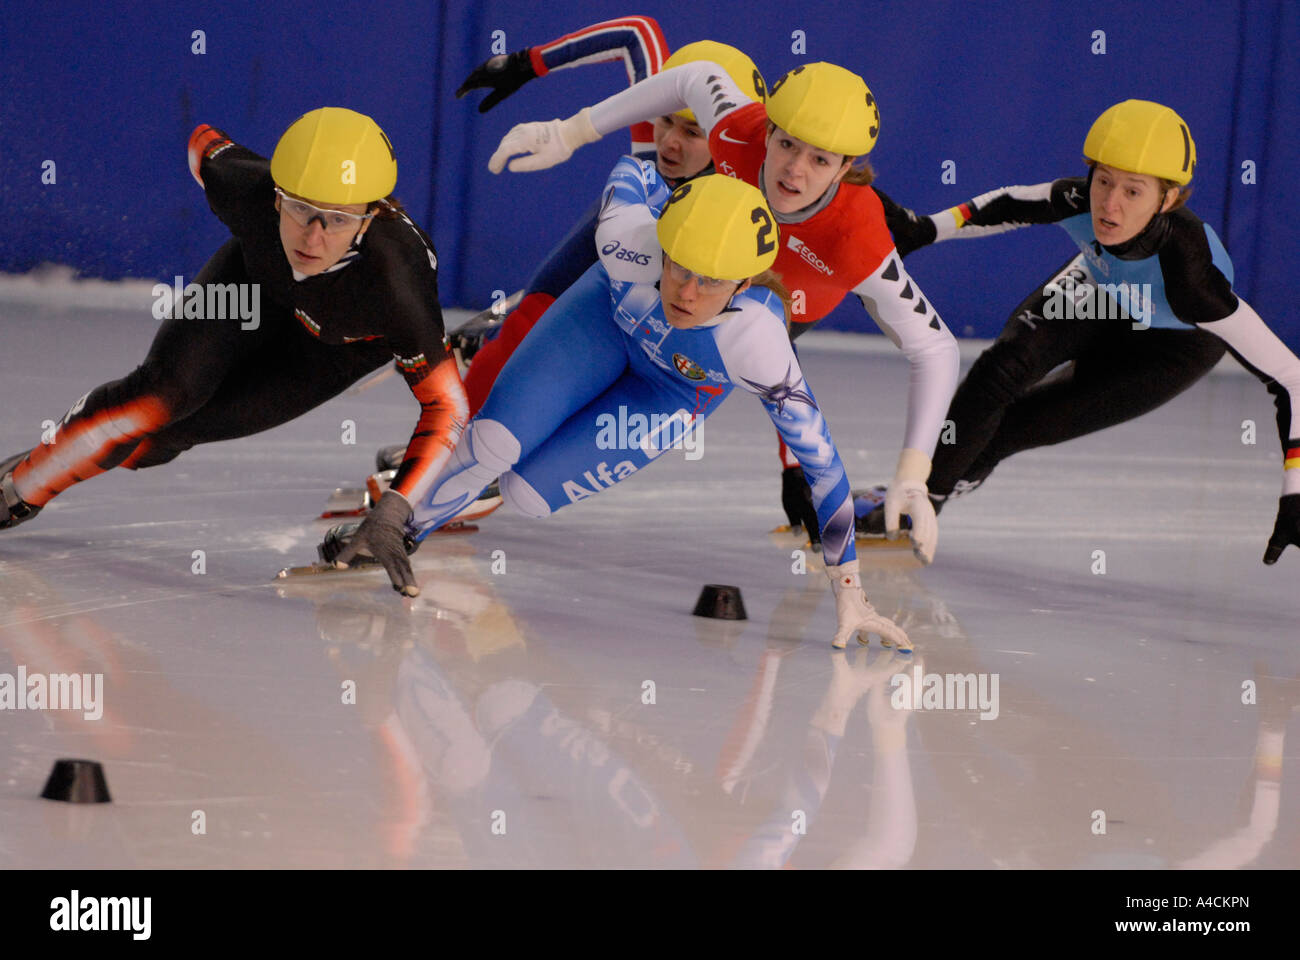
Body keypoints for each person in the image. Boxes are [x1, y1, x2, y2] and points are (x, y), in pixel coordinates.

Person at [334, 165, 911, 651]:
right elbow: (634, 168)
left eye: (711, 282)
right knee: (495, 443)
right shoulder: (628, 233)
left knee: (526, 496)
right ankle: (400, 533)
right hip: (603, 322)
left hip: (672, 389)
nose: (686, 291)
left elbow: (825, 466)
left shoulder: (757, 342)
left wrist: (850, 593)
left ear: (744, 283)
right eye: (679, 264)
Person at [485, 58, 959, 562]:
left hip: (723, 336)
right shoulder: (741, 129)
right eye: (787, 144)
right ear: (769, 129)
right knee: (550, 313)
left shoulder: (857, 242)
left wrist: (913, 470)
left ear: (847, 169)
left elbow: (933, 346)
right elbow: (693, 75)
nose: (795, 169)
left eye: (821, 160)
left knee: (544, 473)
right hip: (675, 272)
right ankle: (470, 438)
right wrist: (571, 131)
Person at [0, 108, 467, 588]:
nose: (314, 236)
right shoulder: (246, 187)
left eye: (339, 219)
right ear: (276, 194)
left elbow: (447, 405)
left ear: (371, 216)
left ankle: (63, 450)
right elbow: (203, 141)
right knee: (163, 396)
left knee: (157, 443)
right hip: (251, 285)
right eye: (300, 207)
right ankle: (18, 488)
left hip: (337, 343)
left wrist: (393, 511)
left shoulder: (397, 285)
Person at [853, 99, 1300, 565]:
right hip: (1101, 285)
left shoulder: (1193, 281)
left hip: (1173, 346)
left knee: (1016, 427)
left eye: (1133, 192)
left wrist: (1295, 489)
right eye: (1103, 180)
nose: (1109, 204)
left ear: (1168, 200)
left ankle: (933, 493)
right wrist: (926, 229)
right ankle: (917, 499)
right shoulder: (1080, 199)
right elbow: (1008, 204)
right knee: (1001, 370)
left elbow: (1290, 377)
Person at [455, 33, 761, 414]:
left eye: (691, 132)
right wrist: (523, 64)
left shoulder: (747, 189)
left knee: (609, 375)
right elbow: (637, 33)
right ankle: (448, 440)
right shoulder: (661, 97)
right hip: (616, 235)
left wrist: (793, 464)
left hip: (666, 287)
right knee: (523, 327)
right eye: (665, 121)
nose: (667, 143)